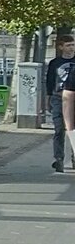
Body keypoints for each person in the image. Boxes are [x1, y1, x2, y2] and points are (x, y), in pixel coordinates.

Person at [48, 35, 75, 172]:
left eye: (73, 45)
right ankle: (58, 158)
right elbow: (50, 82)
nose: (71, 48)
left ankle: (74, 156)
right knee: (59, 129)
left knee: (73, 129)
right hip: (58, 98)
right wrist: (47, 99)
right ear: (61, 47)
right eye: (68, 45)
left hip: (73, 98)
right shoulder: (55, 63)